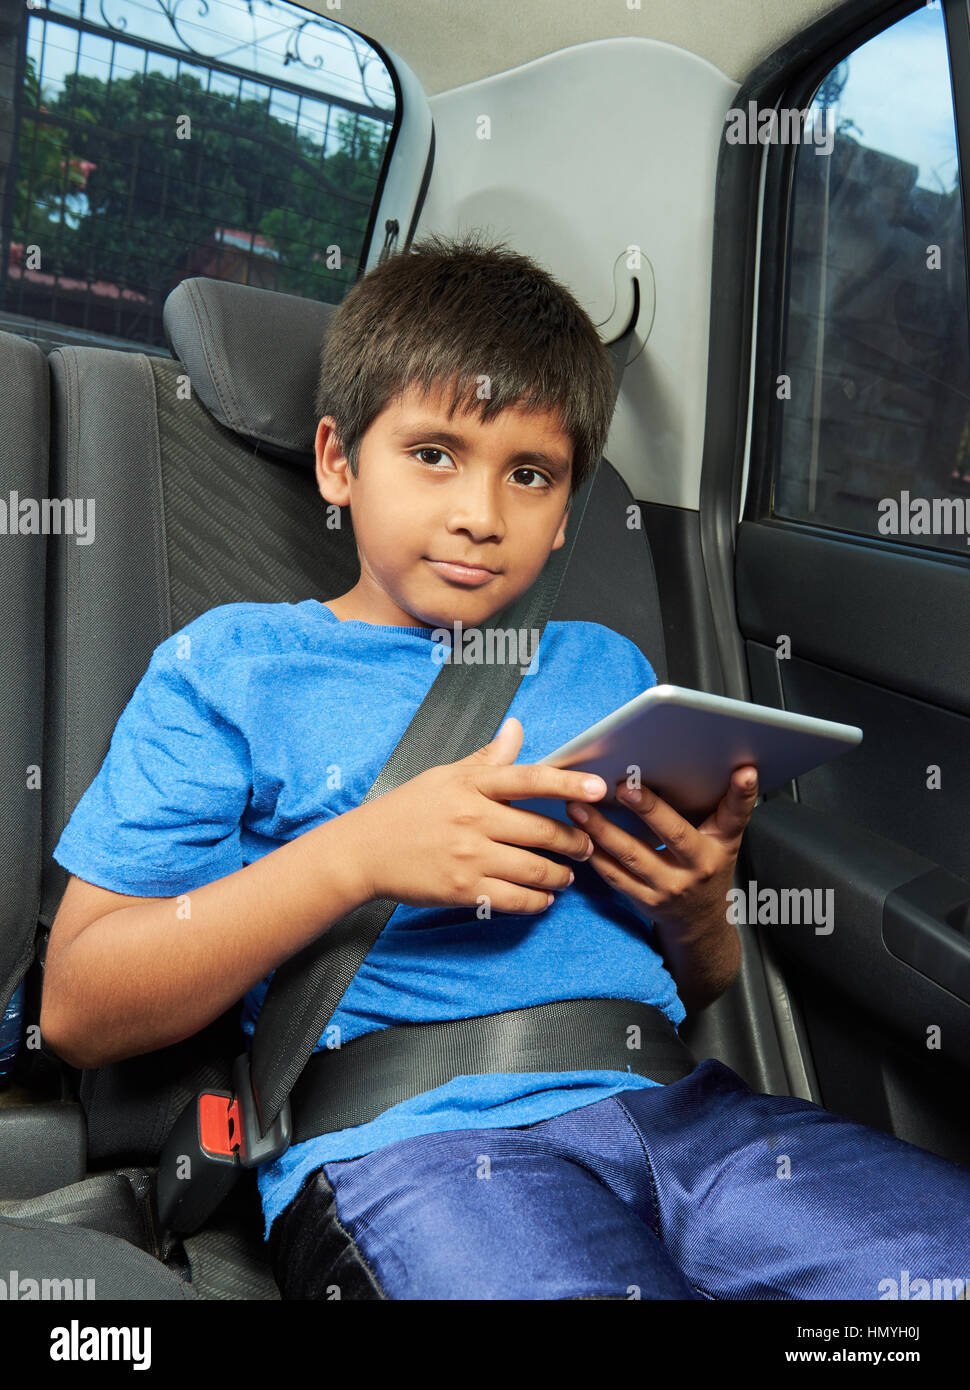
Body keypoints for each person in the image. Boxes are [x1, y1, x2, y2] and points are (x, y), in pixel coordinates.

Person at [41, 232, 970, 1301]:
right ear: (340, 461)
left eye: (529, 474)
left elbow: (698, 983)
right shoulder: (234, 667)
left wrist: (698, 908)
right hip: (414, 1145)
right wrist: (357, 858)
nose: (480, 514)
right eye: (433, 454)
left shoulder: (608, 668)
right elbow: (80, 1005)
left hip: (694, 1122)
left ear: (567, 506)